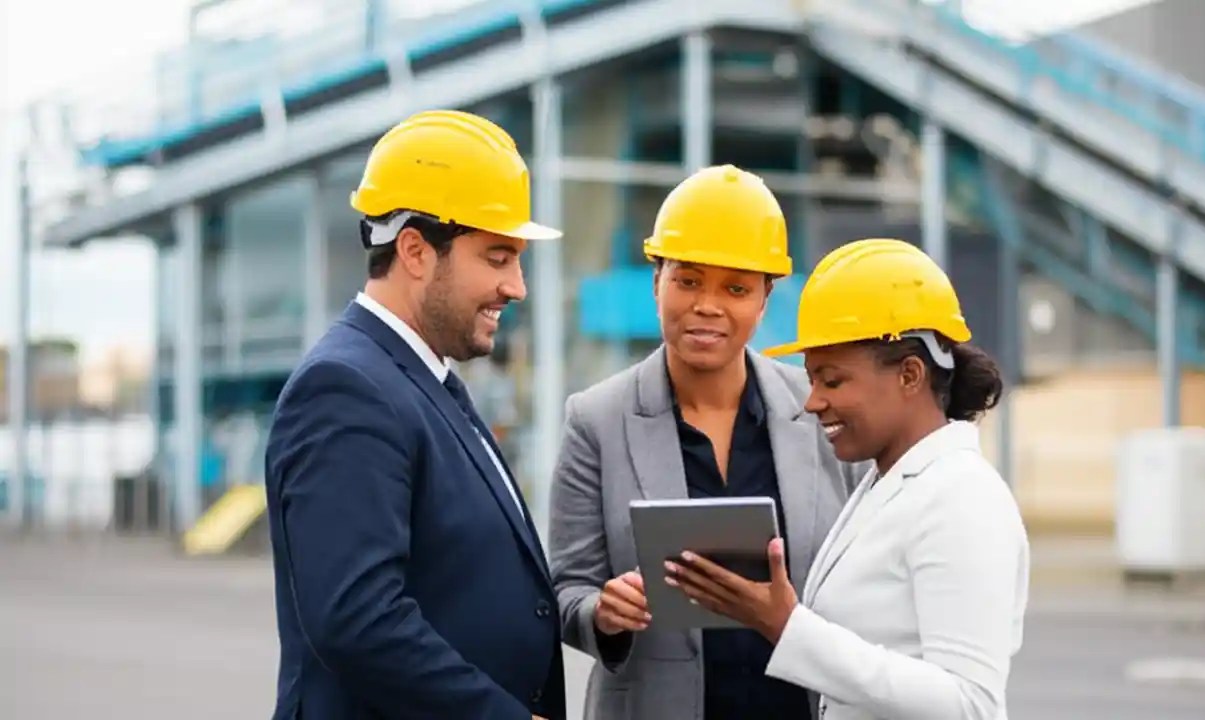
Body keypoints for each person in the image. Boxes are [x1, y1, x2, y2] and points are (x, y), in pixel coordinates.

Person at [264, 110, 565, 720]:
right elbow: (358, 619)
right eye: (498, 257)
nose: (518, 287)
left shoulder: (419, 378)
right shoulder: (346, 388)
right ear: (415, 251)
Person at [548, 165, 868, 720]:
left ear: (766, 299)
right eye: (688, 280)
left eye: (736, 288)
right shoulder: (595, 420)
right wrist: (602, 612)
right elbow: (564, 591)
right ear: (657, 283)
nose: (708, 305)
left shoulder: (818, 411)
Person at [664, 237, 1031, 720]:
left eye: (832, 380)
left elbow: (969, 705)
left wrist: (786, 625)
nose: (812, 401)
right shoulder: (888, 483)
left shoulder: (961, 498)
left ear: (910, 375)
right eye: (812, 379)